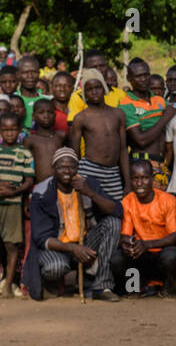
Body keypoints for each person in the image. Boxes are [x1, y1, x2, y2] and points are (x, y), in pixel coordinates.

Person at [23, 146, 123, 301]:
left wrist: (90, 193)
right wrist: (73, 248)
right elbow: (41, 238)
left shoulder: (88, 184)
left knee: (113, 223)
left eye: (71, 167)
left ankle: (101, 286)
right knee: (55, 267)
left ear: (77, 167)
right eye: (61, 167)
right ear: (53, 168)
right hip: (58, 247)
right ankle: (51, 285)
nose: (67, 171)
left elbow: (117, 211)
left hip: (85, 243)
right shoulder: (42, 193)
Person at [120, 158, 176, 298]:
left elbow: (175, 237)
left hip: (162, 253)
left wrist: (147, 244)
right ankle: (134, 288)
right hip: (142, 254)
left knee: (171, 256)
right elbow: (125, 234)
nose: (140, 183)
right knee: (119, 257)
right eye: (135, 179)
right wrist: (127, 243)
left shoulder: (168, 200)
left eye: (144, 178)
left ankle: (168, 289)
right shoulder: (128, 201)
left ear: (152, 178)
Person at [67, 69, 131, 202]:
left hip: (113, 171)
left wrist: (128, 182)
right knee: (90, 212)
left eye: (98, 87)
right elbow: (75, 152)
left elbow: (123, 149)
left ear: (104, 88)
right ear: (84, 93)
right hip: (90, 169)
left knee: (116, 211)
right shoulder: (81, 118)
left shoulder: (118, 114)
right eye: (89, 89)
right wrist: (77, 177)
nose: (94, 91)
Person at [116, 58, 175, 189]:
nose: (143, 79)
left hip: (163, 165)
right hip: (142, 165)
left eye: (146, 75)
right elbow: (140, 140)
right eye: (138, 76)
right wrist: (164, 118)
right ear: (128, 78)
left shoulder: (159, 100)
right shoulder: (126, 105)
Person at [0, 109, 35, 295]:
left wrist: (13, 190)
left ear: (20, 130)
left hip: (13, 204)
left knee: (11, 244)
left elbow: (29, 180)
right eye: (5, 130)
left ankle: (8, 285)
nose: (9, 133)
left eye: (13, 129)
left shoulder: (24, 154)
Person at [66, 49, 125, 121]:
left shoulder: (120, 94)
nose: (99, 70)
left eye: (102, 66)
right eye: (94, 67)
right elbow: (73, 126)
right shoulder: (77, 97)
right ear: (86, 69)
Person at [26, 96, 67, 183]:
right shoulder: (30, 140)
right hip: (39, 185)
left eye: (50, 112)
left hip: (60, 185)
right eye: (41, 112)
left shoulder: (61, 136)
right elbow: (26, 166)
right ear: (34, 116)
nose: (46, 116)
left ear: (55, 115)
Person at [14, 54, 44, 129]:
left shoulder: (48, 99)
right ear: (18, 75)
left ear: (39, 74)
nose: (30, 76)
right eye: (25, 72)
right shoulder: (11, 100)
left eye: (34, 72)